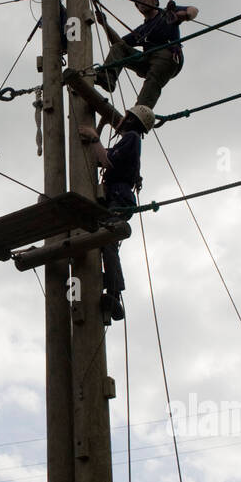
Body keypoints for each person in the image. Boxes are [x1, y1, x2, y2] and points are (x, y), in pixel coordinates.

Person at [78, 104, 154, 324]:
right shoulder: (128, 140)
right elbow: (104, 156)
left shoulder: (131, 137)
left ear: (131, 120)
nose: (120, 120)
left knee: (107, 239)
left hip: (119, 198)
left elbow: (107, 161)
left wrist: (93, 138)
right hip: (116, 198)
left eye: (125, 117)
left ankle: (114, 291)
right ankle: (111, 288)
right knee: (104, 241)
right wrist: (97, 136)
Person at [95, 0, 199, 115]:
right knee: (119, 48)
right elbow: (119, 43)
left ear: (156, 2)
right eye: (138, 1)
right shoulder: (142, 30)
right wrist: (104, 24)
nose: (141, 1)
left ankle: (138, 114)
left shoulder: (166, 13)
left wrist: (185, 15)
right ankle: (107, 77)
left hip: (167, 56)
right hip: (147, 60)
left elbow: (193, 10)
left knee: (152, 80)